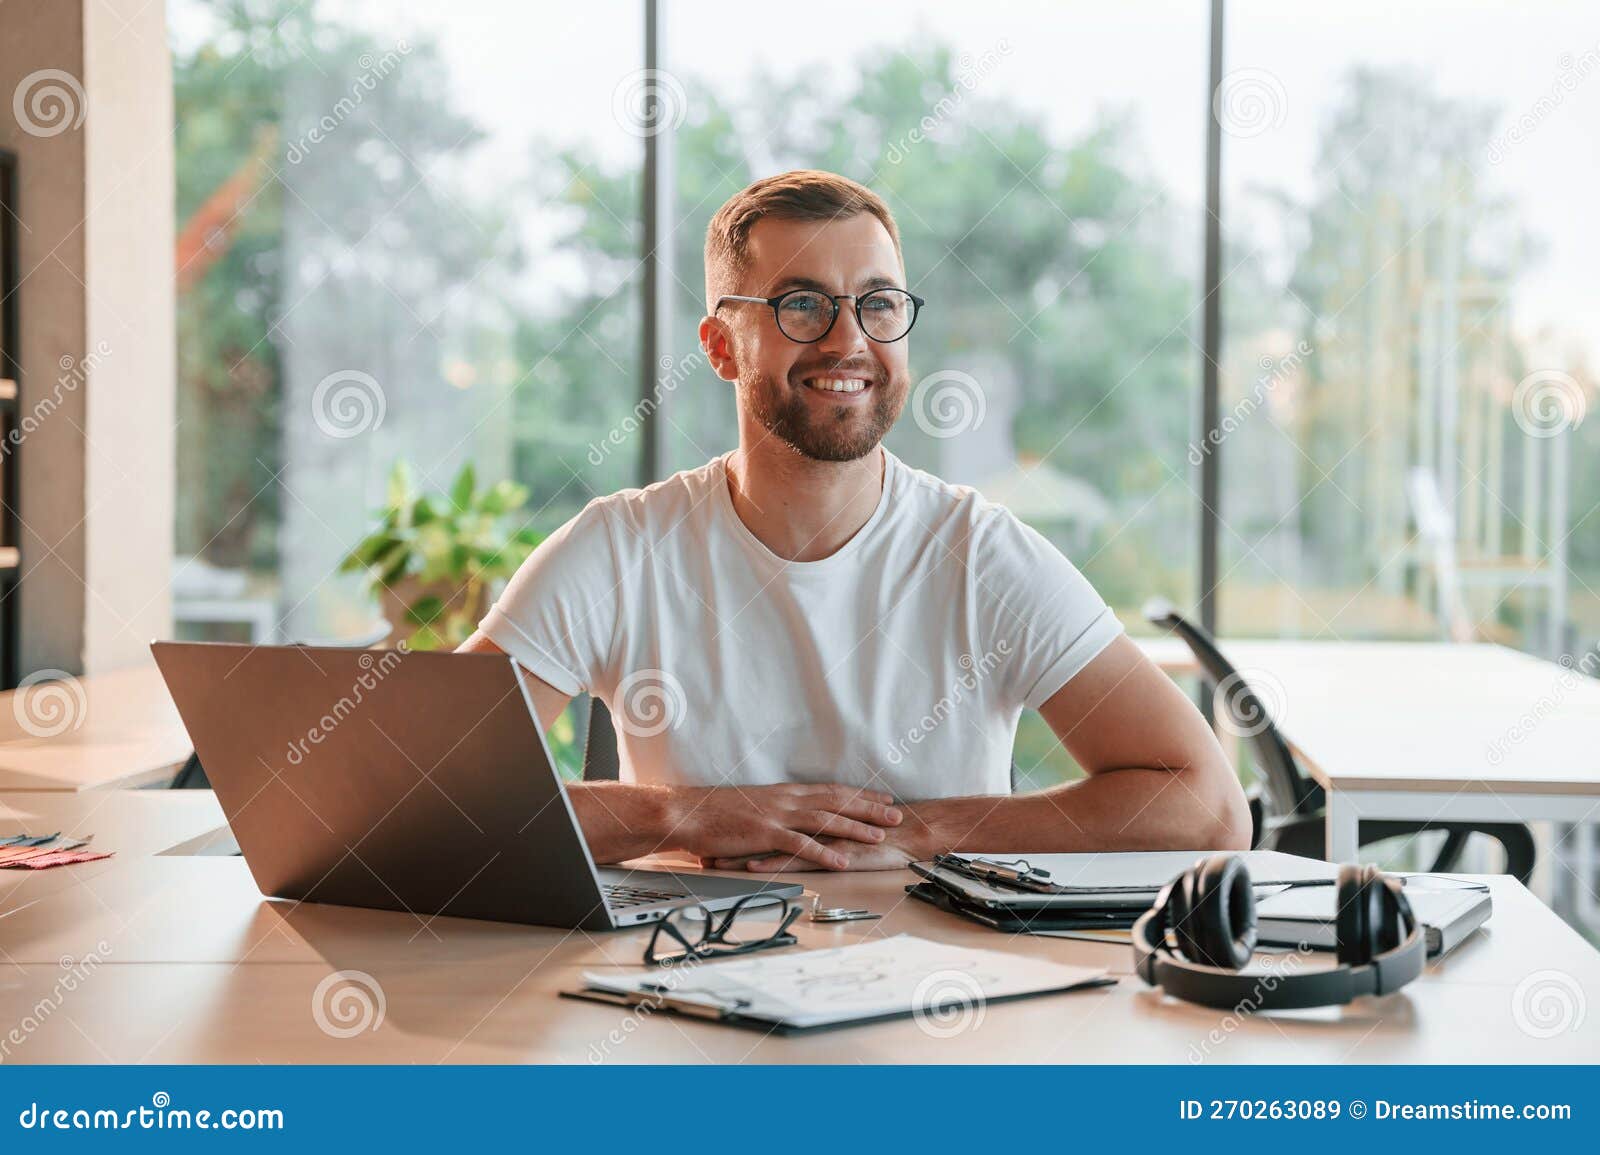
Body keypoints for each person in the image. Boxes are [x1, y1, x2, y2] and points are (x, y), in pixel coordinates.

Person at [459, 169, 1249, 871]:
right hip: (681, 999)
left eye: (878, 304)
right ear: (721, 346)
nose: (849, 341)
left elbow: (1209, 808)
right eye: (802, 304)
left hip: (941, 1009)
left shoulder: (984, 555)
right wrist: (688, 811)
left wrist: (917, 831)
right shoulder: (619, 547)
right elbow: (428, 795)